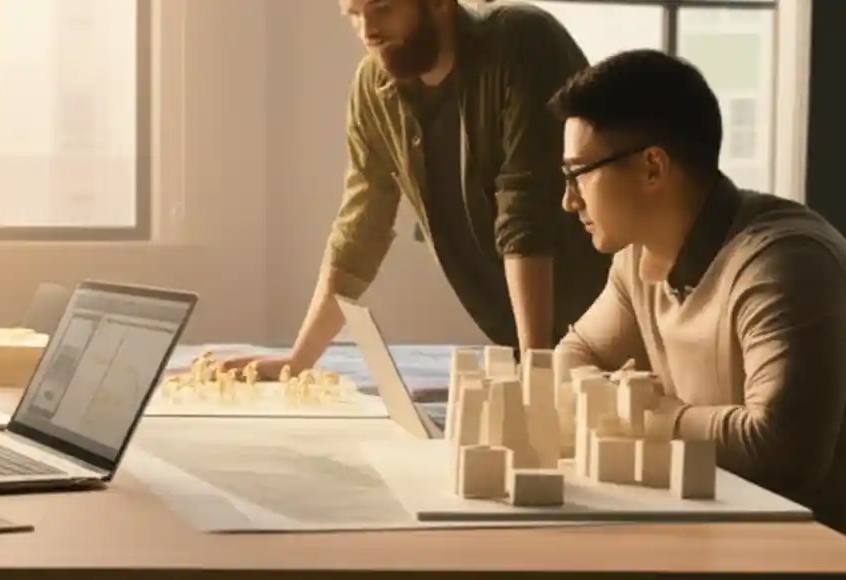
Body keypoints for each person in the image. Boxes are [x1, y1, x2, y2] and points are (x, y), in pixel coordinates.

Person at [226, 0, 609, 378]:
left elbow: (525, 211)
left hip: (616, 322)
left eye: (383, 9)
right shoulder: (373, 88)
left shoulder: (522, 40)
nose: (368, 31)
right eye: (355, 15)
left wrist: (534, 369)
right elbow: (360, 228)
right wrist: (298, 361)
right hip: (527, 342)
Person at [550, 49, 846, 533]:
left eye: (577, 173)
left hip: (812, 570)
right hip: (722, 535)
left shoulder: (784, 261)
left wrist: (650, 413)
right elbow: (573, 355)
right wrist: (624, 400)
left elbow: (783, 450)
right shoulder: (635, 258)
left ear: (653, 168)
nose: (568, 200)